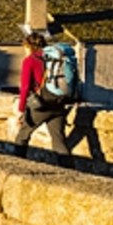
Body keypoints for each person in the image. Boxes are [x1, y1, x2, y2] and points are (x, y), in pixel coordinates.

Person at [13, 33, 74, 168]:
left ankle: (17, 167)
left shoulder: (30, 60)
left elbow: (25, 87)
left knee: (22, 136)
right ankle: (69, 172)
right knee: (59, 140)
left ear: (29, 46)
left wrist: (21, 110)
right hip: (58, 103)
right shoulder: (53, 58)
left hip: (42, 104)